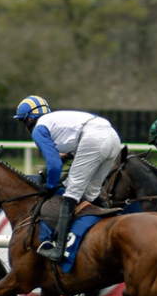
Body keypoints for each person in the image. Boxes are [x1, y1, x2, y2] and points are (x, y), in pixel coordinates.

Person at [13, 96, 121, 263]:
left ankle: (59, 249)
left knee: (72, 192)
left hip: (93, 138)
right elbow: (66, 152)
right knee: (92, 193)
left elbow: (54, 164)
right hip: (113, 137)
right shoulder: (56, 121)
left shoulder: (38, 129)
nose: (24, 125)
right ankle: (116, 224)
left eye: (22, 121)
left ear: (29, 118)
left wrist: (49, 187)